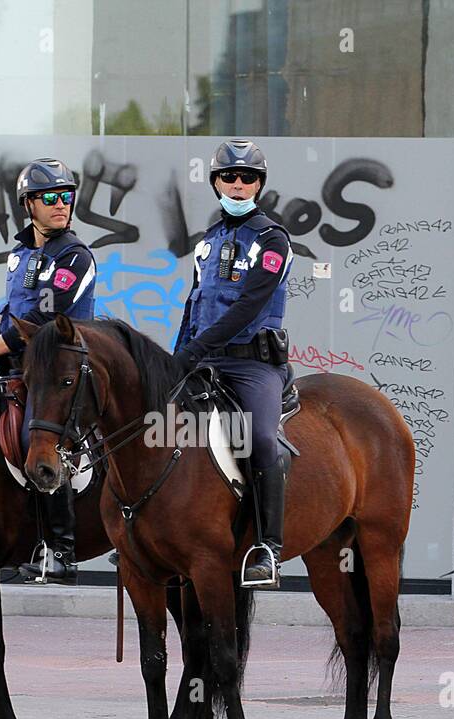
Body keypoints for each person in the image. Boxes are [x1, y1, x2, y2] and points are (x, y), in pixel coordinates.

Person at [0, 157, 96, 584]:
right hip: (19, 367)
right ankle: (11, 541)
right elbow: (17, 310)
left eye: (66, 196)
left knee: (39, 437)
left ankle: (63, 551)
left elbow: (34, 328)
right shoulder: (21, 254)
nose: (61, 205)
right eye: (50, 197)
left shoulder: (75, 257)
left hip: (57, 367)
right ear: (27, 204)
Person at [173, 138, 294, 588]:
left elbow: (247, 306)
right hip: (204, 360)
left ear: (259, 185)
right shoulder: (209, 242)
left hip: (252, 365)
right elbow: (193, 304)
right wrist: (176, 356)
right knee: (156, 423)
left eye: (249, 178)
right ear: (216, 183)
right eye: (230, 177)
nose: (239, 185)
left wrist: (196, 349)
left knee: (262, 439)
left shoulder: (273, 240)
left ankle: (268, 548)